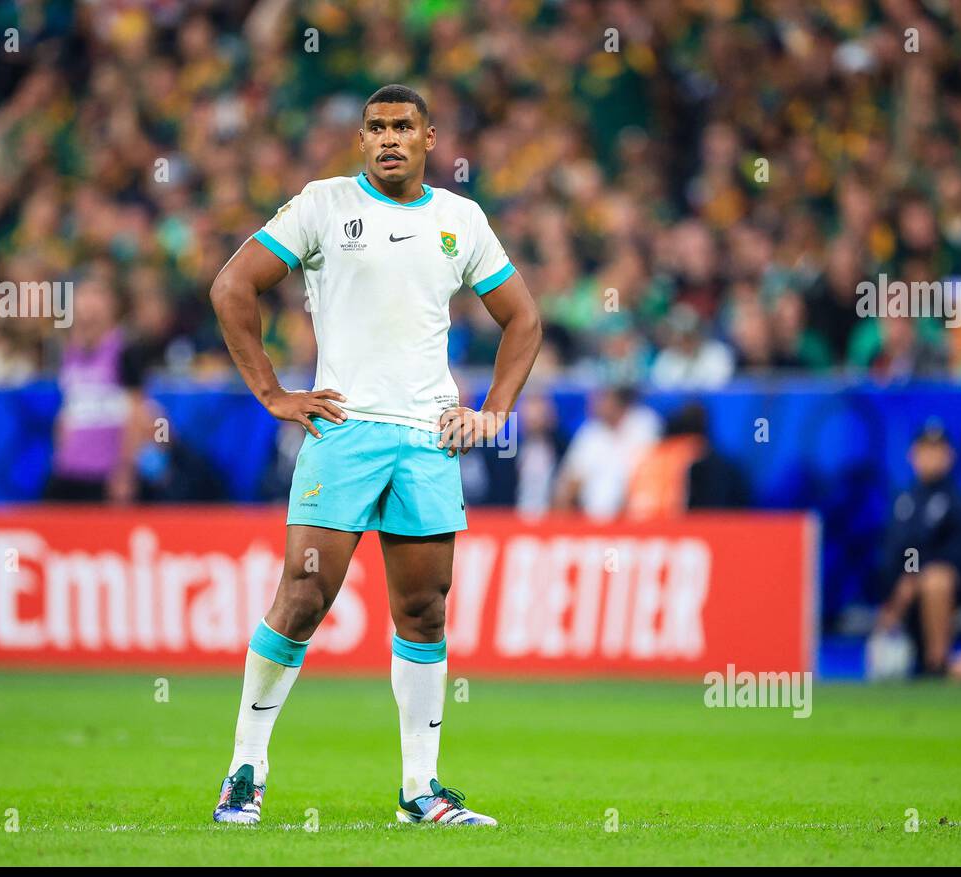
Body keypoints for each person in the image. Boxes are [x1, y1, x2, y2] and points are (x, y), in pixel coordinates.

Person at [208, 85, 541, 826]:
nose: (390, 138)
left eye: (404, 127)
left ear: (430, 138)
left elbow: (522, 318)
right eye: (377, 127)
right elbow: (232, 286)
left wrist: (493, 413)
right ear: (361, 140)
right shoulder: (322, 205)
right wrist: (272, 394)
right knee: (303, 598)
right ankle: (245, 770)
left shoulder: (461, 220)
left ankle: (420, 792)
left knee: (423, 612)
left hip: (428, 439)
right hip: (346, 430)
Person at [870, 421, 961, 676]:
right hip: (900, 592)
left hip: (942, 591)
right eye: (925, 450)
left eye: (937, 450)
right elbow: (893, 547)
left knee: (936, 580)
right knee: (885, 664)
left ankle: (937, 662)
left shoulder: (958, 501)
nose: (931, 457)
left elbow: (959, 553)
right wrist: (897, 587)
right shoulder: (902, 499)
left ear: (950, 456)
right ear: (912, 456)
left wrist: (915, 575)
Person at [43, 278, 146, 503]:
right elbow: (68, 410)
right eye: (82, 298)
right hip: (69, 470)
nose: (88, 306)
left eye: (96, 297)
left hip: (106, 473)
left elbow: (137, 414)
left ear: (111, 306)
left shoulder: (125, 351)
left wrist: (125, 469)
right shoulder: (67, 351)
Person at [553, 385, 662, 519]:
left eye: (601, 397)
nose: (594, 403)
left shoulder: (644, 423)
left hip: (635, 516)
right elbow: (572, 479)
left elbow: (651, 473)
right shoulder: (589, 432)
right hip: (593, 518)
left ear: (616, 400)